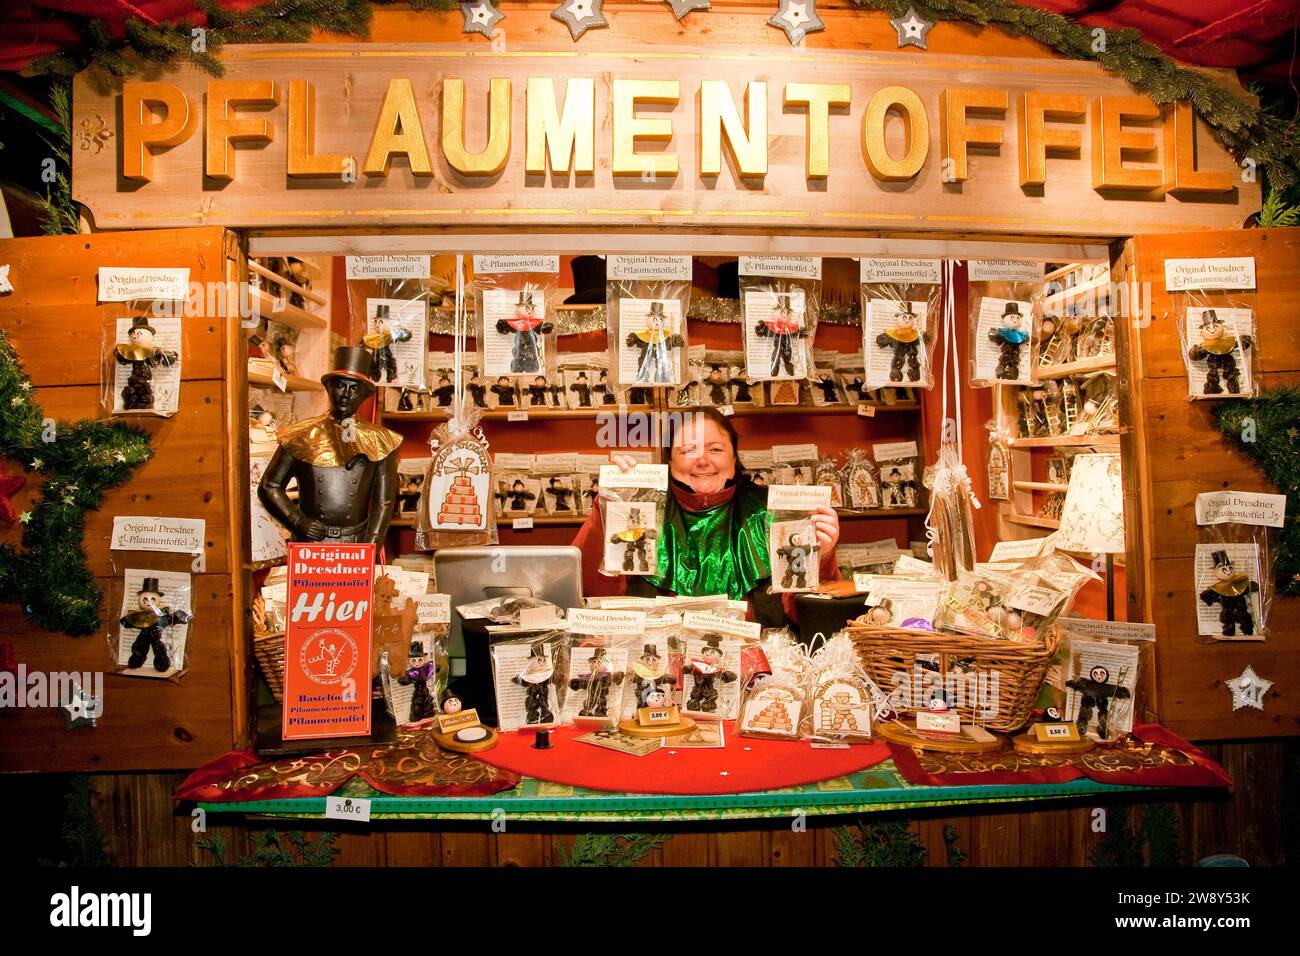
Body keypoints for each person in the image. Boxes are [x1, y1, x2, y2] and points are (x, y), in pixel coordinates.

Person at [572, 407, 840, 627]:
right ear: (669, 460)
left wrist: (822, 558)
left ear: (734, 458)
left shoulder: (772, 512)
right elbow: (590, 594)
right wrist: (607, 509)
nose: (702, 461)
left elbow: (806, 616)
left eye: (715, 449)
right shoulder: (638, 505)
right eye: (688, 450)